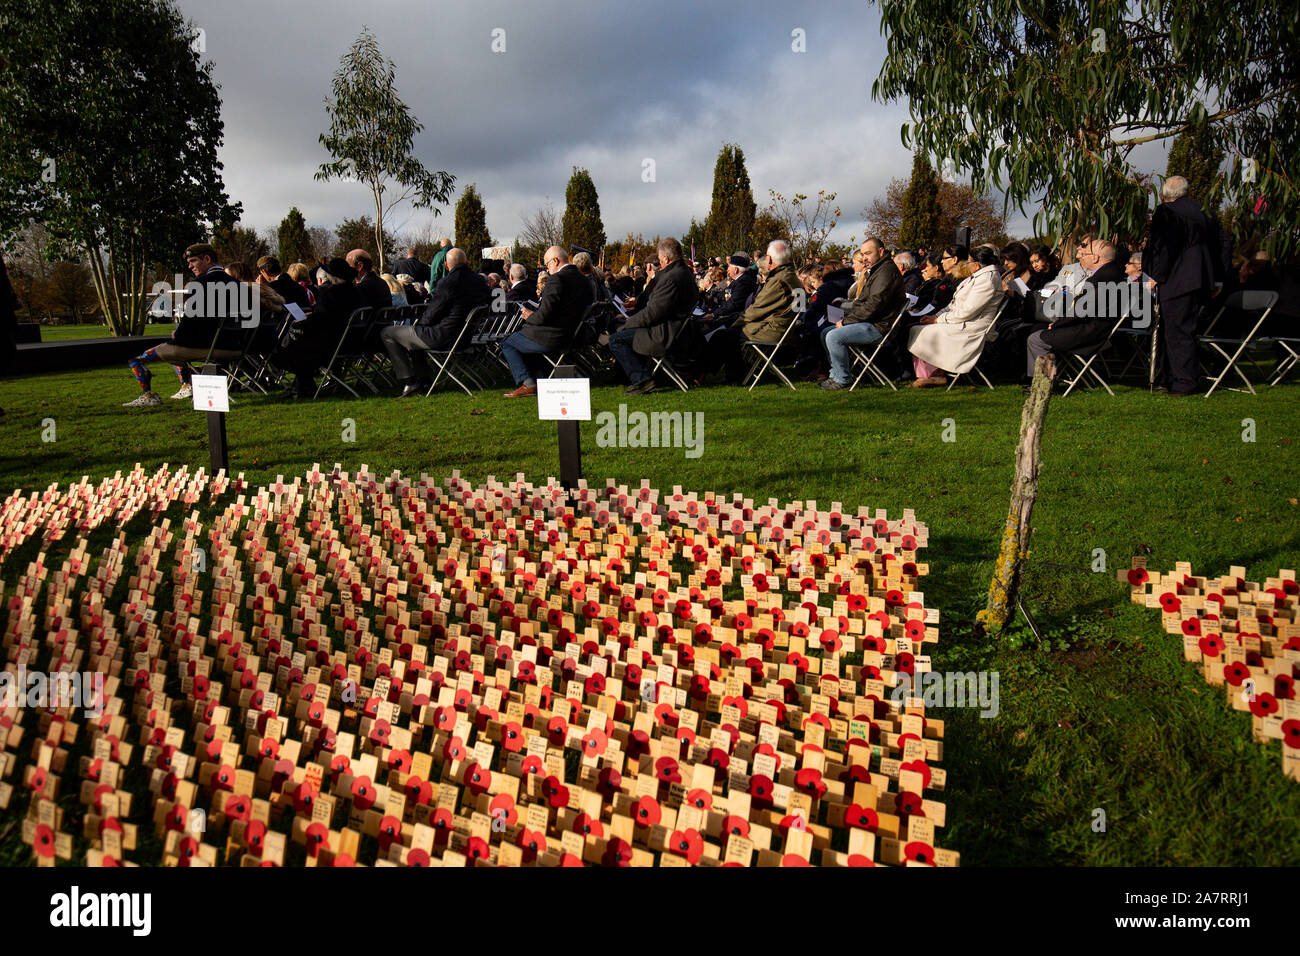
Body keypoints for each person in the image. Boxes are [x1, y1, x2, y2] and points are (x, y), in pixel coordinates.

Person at [124, 243, 245, 407]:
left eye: (193, 261)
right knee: (176, 349)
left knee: (136, 360)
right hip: (236, 347)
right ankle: (187, 386)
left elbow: (191, 323)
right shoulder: (239, 285)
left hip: (207, 347)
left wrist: (177, 335)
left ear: (207, 259)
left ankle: (149, 395)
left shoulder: (200, 284)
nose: (190, 266)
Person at [1142, 175, 1224, 394]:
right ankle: (1171, 377)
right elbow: (1220, 245)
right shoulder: (1205, 212)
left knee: (1177, 331)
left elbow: (1164, 247)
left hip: (1177, 279)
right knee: (1183, 329)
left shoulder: (1167, 212)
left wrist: (1157, 274)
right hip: (1201, 279)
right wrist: (1217, 278)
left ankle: (1184, 381)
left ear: (1165, 194)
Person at [379, 248, 489, 396]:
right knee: (414, 336)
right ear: (467, 262)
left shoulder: (447, 282)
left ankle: (410, 381)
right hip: (466, 337)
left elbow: (432, 313)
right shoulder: (480, 282)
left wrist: (419, 326)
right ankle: (423, 379)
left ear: (446, 266)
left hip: (444, 336)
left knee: (388, 332)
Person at [500, 247, 595, 398]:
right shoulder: (585, 280)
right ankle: (539, 375)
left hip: (553, 336)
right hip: (576, 334)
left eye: (547, 264)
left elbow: (543, 315)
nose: (547, 269)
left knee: (508, 341)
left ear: (556, 261)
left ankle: (528, 382)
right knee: (523, 338)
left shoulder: (557, 279)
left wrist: (529, 315)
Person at [1024, 241, 1126, 381]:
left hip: (1091, 333)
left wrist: (1058, 324)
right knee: (1040, 332)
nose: (1080, 257)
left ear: (1095, 258)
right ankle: (1047, 379)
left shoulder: (1103, 277)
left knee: (1036, 339)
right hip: (1092, 327)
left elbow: (1081, 310)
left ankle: (1044, 384)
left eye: (1085, 254)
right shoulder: (1110, 273)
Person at [608, 237, 697, 394]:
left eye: (660, 260)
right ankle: (637, 376)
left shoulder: (672, 277)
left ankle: (642, 379)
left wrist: (629, 322)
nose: (660, 264)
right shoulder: (684, 273)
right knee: (622, 334)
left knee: (616, 339)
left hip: (662, 333)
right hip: (673, 330)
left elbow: (653, 312)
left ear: (666, 258)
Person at [907, 246, 1005, 387]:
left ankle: (933, 374)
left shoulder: (987, 280)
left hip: (973, 328)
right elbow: (953, 305)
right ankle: (932, 373)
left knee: (922, 331)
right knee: (919, 328)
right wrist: (934, 316)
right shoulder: (978, 277)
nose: (966, 265)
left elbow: (968, 311)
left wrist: (938, 320)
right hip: (961, 321)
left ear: (976, 265)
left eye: (969, 262)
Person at [708, 240, 805, 383]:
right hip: (784, 329)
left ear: (770, 260)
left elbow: (756, 309)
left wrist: (735, 322)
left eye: (766, 256)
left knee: (724, 335)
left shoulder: (779, 281)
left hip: (772, 331)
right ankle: (730, 373)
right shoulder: (793, 279)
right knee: (729, 333)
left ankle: (728, 376)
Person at [819, 237, 906, 389]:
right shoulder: (877, 271)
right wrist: (847, 315)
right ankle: (836, 374)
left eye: (868, 253)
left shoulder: (886, 272)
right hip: (870, 322)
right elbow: (862, 303)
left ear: (881, 251)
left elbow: (874, 305)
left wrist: (846, 322)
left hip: (880, 327)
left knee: (833, 335)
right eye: (863, 254)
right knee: (825, 332)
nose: (865, 258)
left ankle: (843, 379)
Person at [272, 257, 362, 399]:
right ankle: (302, 385)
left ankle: (302, 387)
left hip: (332, 343)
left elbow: (321, 320)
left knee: (291, 347)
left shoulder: (331, 294)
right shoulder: (355, 292)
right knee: (301, 345)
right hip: (352, 340)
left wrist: (304, 320)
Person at [698, 254, 756, 328]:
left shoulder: (743, 282)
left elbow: (732, 304)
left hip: (737, 318)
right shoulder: (738, 280)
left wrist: (714, 314)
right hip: (731, 314)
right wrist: (713, 296)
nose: (727, 269)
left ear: (736, 270)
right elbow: (725, 293)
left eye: (729, 267)